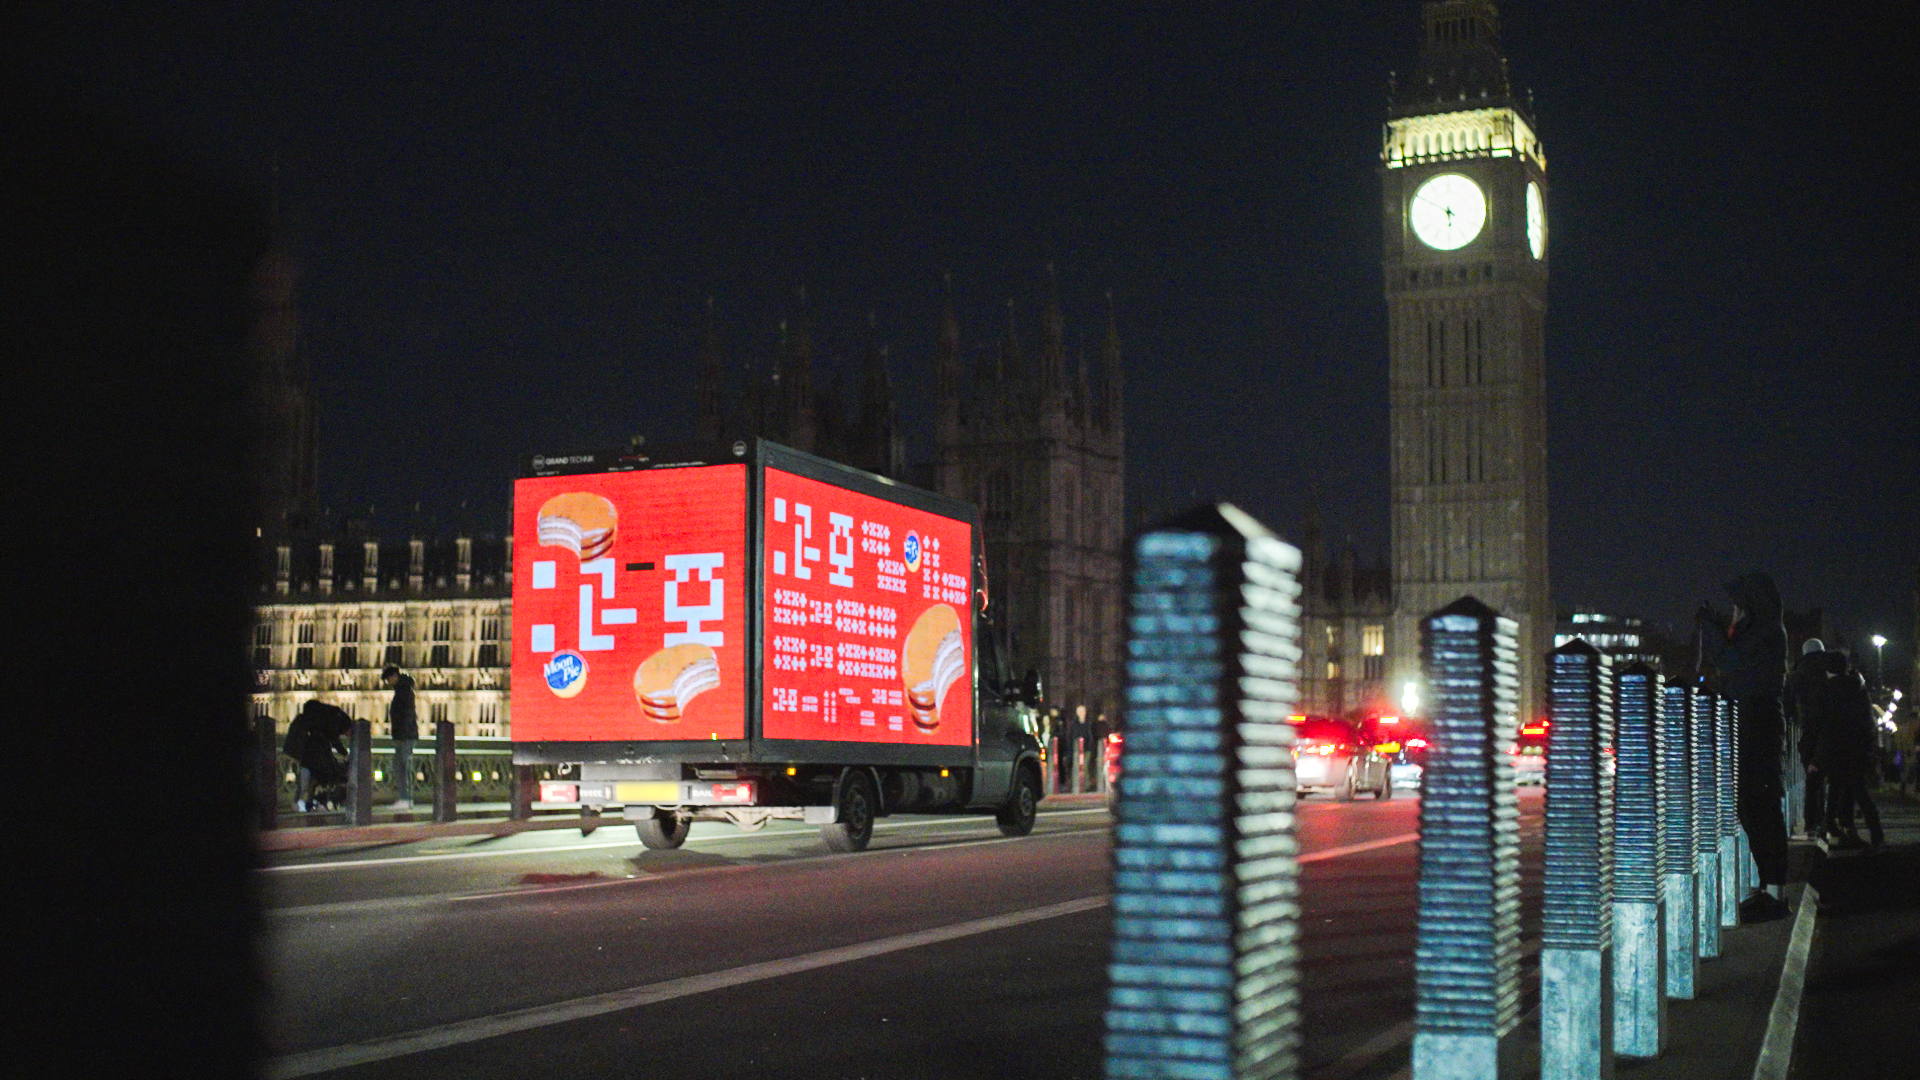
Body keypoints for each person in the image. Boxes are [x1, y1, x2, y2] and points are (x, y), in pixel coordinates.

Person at [1698, 570, 1790, 921]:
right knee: (1752, 807)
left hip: (1758, 724)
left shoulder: (1766, 631)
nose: (1734, 610)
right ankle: (1770, 889)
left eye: (1738, 605)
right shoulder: (1763, 630)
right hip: (1752, 721)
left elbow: (1730, 661)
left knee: (1760, 807)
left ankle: (1775, 894)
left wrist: (1710, 626)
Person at [1815, 651, 1882, 850]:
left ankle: (1831, 829)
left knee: (1835, 790)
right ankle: (1875, 831)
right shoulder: (1858, 688)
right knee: (1859, 791)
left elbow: (1825, 726)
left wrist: (1820, 756)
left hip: (1836, 749)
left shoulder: (1827, 691)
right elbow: (1867, 721)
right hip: (1856, 748)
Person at [1786, 638, 1829, 838]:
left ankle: (1813, 821)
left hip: (1807, 731)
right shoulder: (1828, 673)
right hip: (1829, 731)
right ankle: (1825, 820)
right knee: (1825, 778)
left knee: (1811, 778)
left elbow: (1786, 704)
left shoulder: (1795, 675)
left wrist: (1792, 719)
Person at [285, 700, 351, 811]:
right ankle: (306, 801)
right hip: (311, 749)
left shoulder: (329, 719)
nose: (348, 736)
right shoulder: (336, 721)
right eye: (349, 734)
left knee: (311, 776)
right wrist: (344, 753)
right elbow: (334, 739)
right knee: (316, 774)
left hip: (308, 748)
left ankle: (307, 802)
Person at [383, 665, 418, 809]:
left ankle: (406, 798)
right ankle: (405, 798)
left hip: (405, 736)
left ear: (394, 676)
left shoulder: (404, 691)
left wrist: (402, 734)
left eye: (388, 679)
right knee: (400, 765)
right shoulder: (403, 690)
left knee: (402, 767)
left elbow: (408, 715)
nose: (388, 683)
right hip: (404, 735)